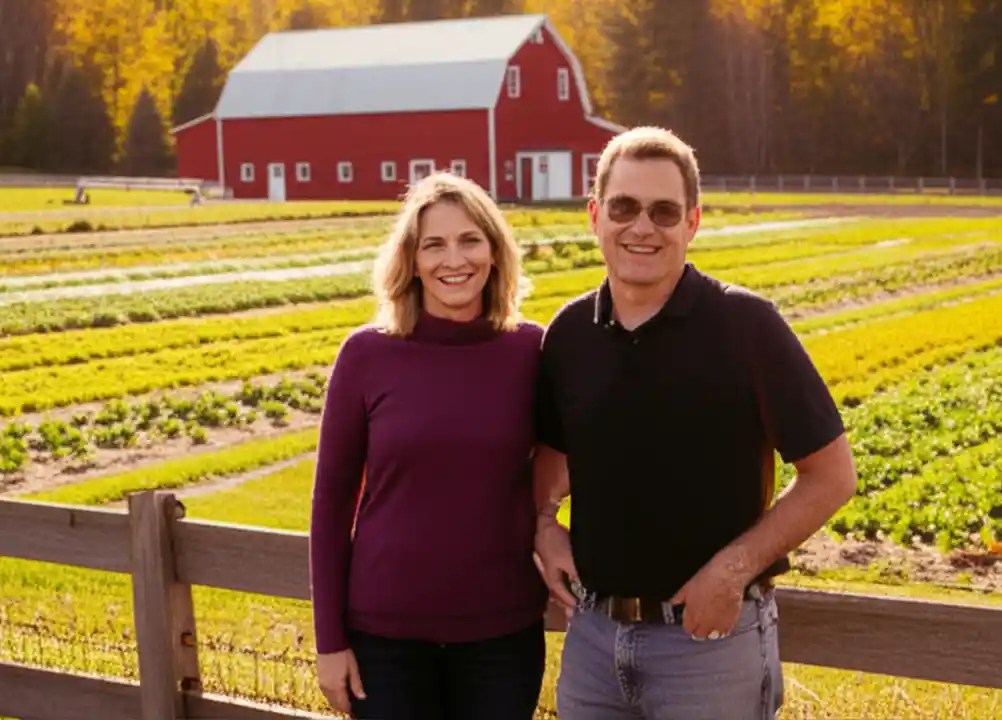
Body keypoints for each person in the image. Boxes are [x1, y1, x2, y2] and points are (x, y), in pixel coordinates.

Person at [532, 127, 858, 720]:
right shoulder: (571, 334)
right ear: (594, 215)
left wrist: (731, 571)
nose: (642, 227)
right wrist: (543, 523)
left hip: (709, 644)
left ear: (693, 222)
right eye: (624, 207)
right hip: (593, 642)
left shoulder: (746, 327)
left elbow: (831, 475)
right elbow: (552, 461)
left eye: (664, 211)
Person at [309, 172, 548, 720]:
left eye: (469, 240)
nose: (453, 259)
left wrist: (554, 529)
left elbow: (564, 463)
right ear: (411, 261)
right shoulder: (367, 355)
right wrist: (329, 642)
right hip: (384, 641)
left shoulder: (532, 351)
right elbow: (330, 506)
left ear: (494, 250)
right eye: (433, 245)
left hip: (501, 637)